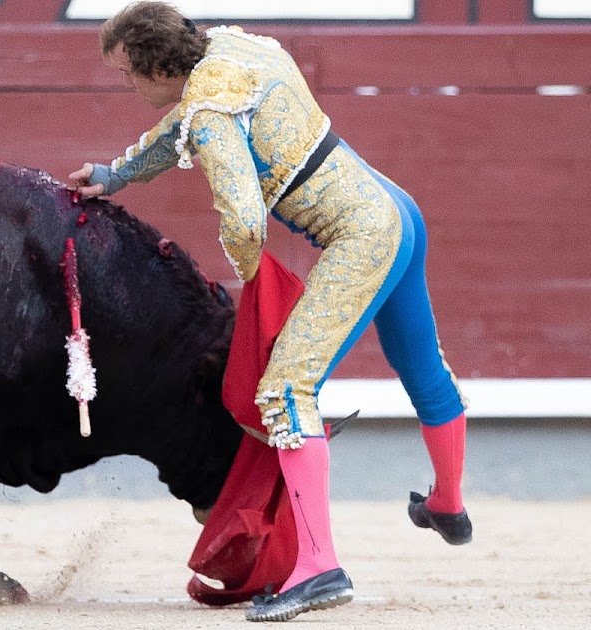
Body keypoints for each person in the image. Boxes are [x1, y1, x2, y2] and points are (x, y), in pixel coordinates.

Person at [68, 2, 472, 622]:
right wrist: (117, 174)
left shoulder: (207, 110)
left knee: (285, 389)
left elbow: (243, 216)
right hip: (395, 207)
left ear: (155, 67)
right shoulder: (231, 46)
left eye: (126, 73)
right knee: (419, 363)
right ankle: (447, 503)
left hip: (361, 233)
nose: (125, 84)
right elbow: (190, 119)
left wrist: (254, 282)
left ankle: (319, 568)